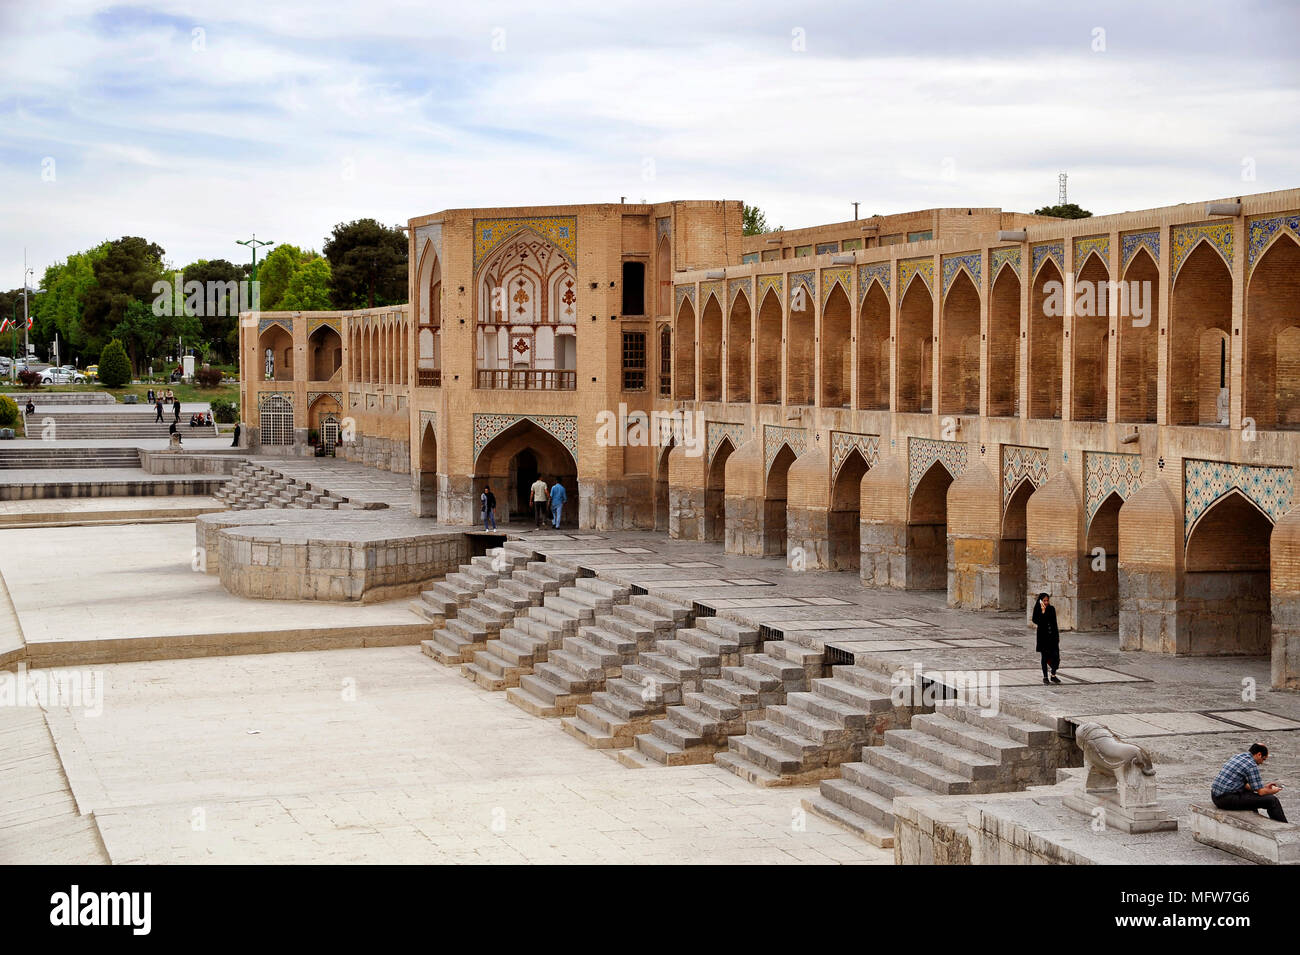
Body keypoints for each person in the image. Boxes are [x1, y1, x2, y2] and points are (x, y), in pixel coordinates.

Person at [1212, 744, 1287, 822]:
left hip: (1215, 796)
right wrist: (1274, 791)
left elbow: (1246, 785)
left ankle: (1255, 819)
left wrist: (1264, 787)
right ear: (1259, 754)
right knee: (1272, 800)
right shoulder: (1251, 765)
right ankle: (1284, 827)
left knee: (1250, 793)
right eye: (1263, 759)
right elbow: (1261, 792)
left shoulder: (1238, 757)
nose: (1262, 763)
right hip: (1225, 800)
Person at [1031, 592, 1060, 684]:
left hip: (1052, 637)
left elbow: (1054, 623)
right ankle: (1045, 677)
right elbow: (1037, 621)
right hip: (1043, 638)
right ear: (1040, 601)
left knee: (1056, 657)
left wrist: (1057, 637)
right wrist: (1043, 612)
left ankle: (1053, 675)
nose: (1046, 602)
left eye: (1047, 600)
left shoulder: (1052, 609)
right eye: (1044, 600)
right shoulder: (1037, 610)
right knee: (1044, 657)